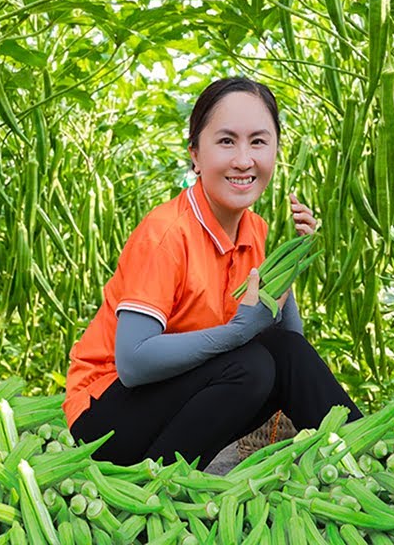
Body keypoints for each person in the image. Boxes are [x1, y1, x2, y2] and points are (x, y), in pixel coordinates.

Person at [63, 77, 363, 470]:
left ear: (275, 150)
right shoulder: (167, 233)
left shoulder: (254, 229)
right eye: (226, 142)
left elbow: (291, 349)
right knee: (252, 365)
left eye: (258, 141)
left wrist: (294, 256)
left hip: (172, 404)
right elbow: (134, 364)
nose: (243, 159)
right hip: (105, 417)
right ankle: (157, 488)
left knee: (276, 355)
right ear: (195, 156)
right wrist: (237, 332)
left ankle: (367, 460)